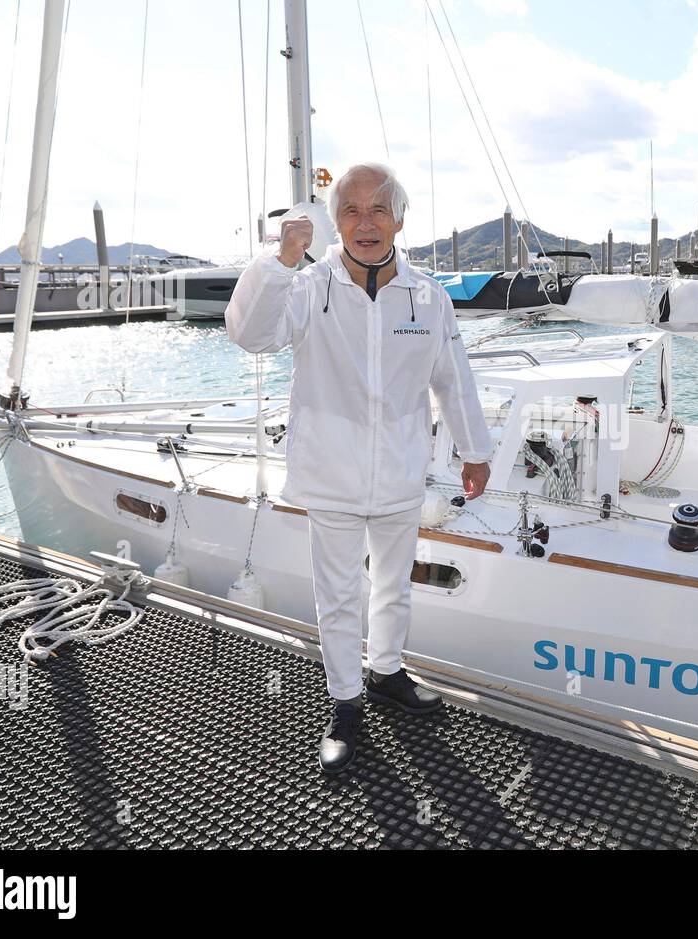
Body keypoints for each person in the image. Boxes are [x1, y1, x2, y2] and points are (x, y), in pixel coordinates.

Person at [225, 162, 492, 774]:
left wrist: (474, 449)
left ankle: (386, 673)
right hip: (333, 475)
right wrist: (278, 262)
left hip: (399, 470)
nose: (365, 223)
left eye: (378, 210)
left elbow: (453, 380)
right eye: (350, 210)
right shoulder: (307, 288)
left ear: (399, 218)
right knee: (339, 594)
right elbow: (248, 334)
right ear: (333, 220)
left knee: (395, 583)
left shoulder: (427, 296)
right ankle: (345, 703)